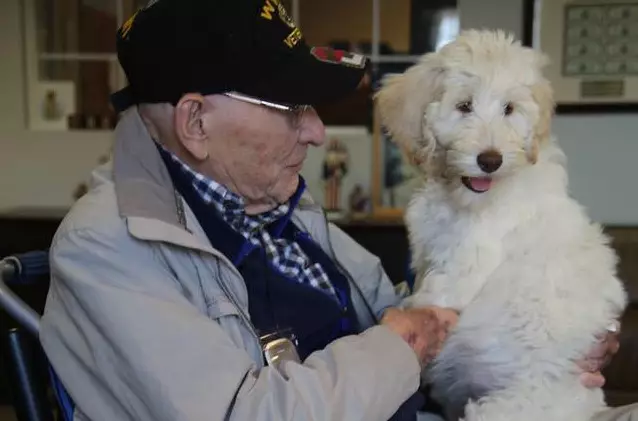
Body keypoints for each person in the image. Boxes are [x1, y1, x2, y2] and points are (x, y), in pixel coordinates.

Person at [38, 1, 634, 420]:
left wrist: (541, 338)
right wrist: (403, 344)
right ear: (196, 121)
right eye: (292, 107)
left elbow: (406, 320)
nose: (319, 132)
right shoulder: (108, 245)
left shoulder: (282, 216)